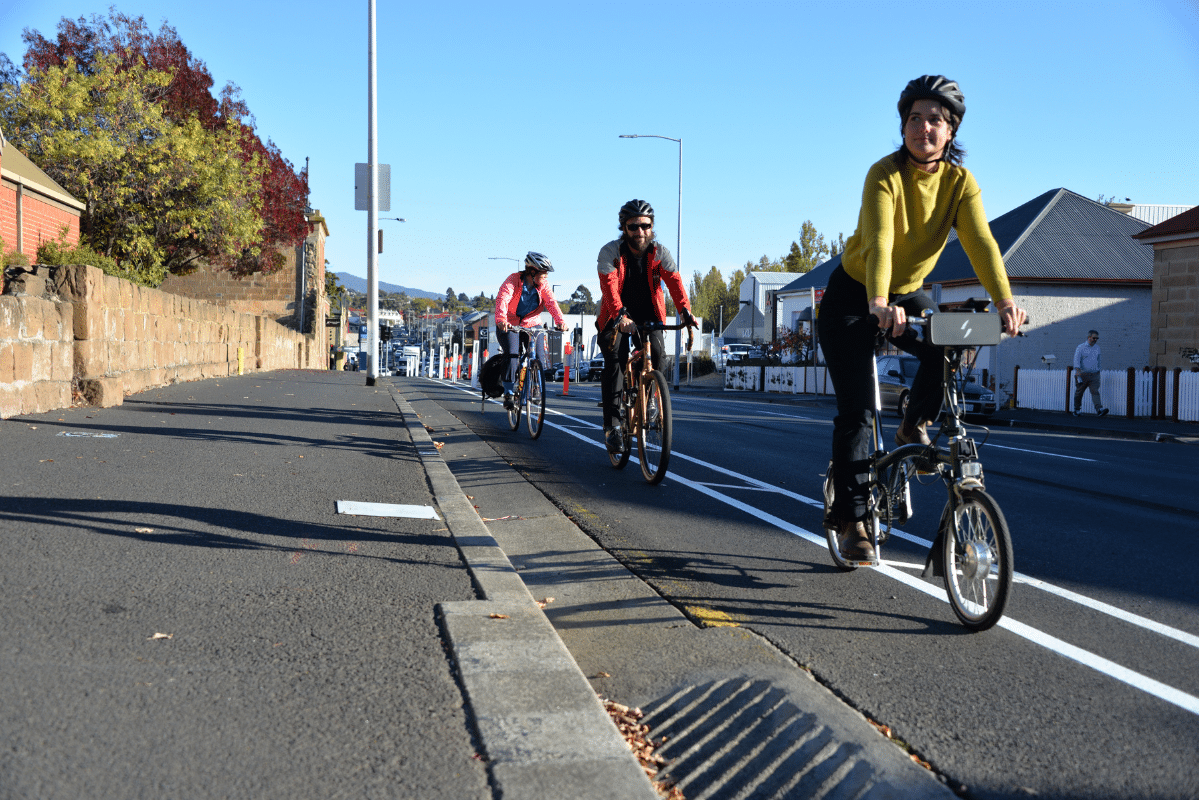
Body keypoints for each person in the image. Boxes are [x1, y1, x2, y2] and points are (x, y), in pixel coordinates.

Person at [816, 75, 1028, 562]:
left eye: (935, 119)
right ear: (904, 126)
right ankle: (851, 521)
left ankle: (915, 426)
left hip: (904, 292)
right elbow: (881, 242)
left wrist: (1003, 303)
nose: (922, 128)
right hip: (855, 295)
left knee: (948, 346)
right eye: (914, 119)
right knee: (858, 411)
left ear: (950, 131)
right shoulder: (884, 174)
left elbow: (981, 243)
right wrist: (876, 302)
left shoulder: (959, 183)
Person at [596, 199, 697, 453]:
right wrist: (621, 317)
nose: (640, 232)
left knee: (659, 355)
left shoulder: (660, 253)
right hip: (614, 313)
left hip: (648, 312)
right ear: (624, 228)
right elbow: (609, 289)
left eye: (645, 226)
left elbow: (674, 283)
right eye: (633, 227)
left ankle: (650, 397)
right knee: (616, 360)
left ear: (652, 227)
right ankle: (614, 426)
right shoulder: (610, 253)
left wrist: (685, 311)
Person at [494, 252, 567, 409]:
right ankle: (508, 392)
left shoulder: (544, 286)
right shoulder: (513, 280)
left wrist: (561, 322)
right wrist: (501, 320)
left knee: (539, 357)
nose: (546, 276)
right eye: (543, 272)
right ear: (531, 271)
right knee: (513, 354)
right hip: (509, 323)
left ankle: (534, 387)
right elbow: (502, 299)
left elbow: (552, 303)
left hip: (532, 323)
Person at [1072, 330, 1108, 416]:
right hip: (1082, 374)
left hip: (1094, 374)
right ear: (1089, 337)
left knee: (1095, 391)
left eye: (1097, 338)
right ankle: (1077, 409)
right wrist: (1077, 371)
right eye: (1094, 338)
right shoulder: (1080, 347)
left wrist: (1098, 370)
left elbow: (1098, 360)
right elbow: (1076, 360)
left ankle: (1099, 409)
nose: (1095, 340)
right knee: (1079, 392)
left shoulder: (1097, 348)